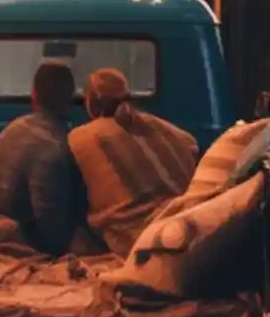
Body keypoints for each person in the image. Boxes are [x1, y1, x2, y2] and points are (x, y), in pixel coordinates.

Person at [68, 68, 199, 257]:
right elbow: (192, 145)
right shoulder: (158, 125)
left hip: (137, 239)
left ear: (92, 102)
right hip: (186, 220)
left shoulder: (82, 137)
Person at [0, 60, 83, 256]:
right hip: (14, 242)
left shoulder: (12, 128)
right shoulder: (56, 148)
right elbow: (52, 233)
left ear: (34, 95)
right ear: (70, 98)